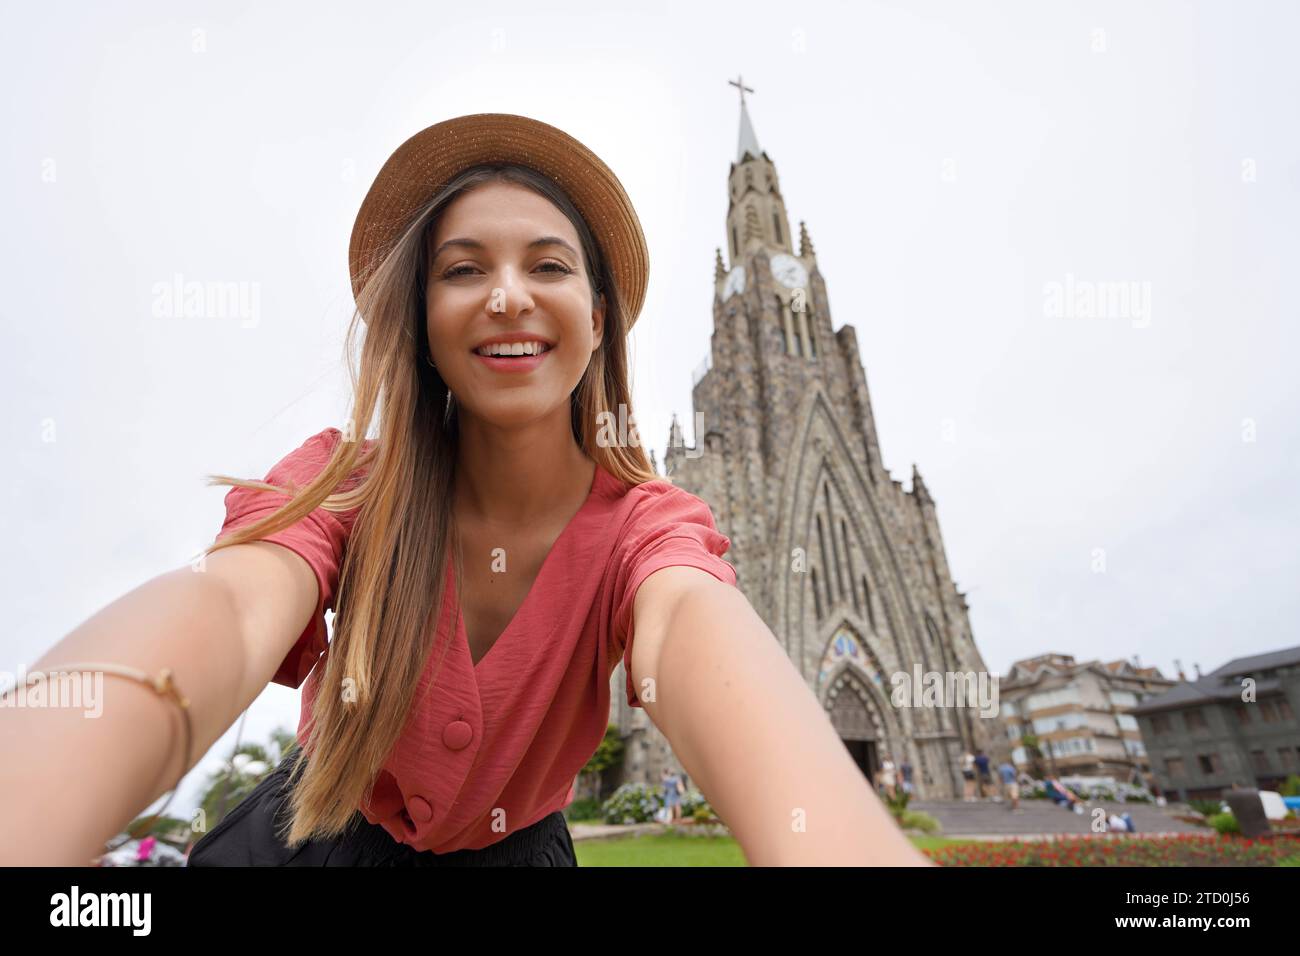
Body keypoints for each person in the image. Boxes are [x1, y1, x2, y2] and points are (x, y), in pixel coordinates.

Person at [0, 113, 934, 868]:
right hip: (314, 834)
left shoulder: (644, 527)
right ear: (423, 316)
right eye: (463, 269)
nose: (508, 296)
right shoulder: (350, 486)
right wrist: (45, 779)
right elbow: (235, 611)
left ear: (598, 318)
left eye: (549, 264)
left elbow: (692, 625)